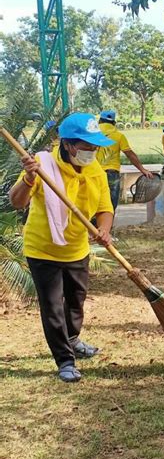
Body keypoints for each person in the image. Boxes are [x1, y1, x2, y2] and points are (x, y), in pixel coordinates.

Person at [9, 112, 115, 384]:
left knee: (76, 300)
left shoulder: (96, 172)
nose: (92, 151)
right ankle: (65, 360)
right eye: (87, 146)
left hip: (77, 248)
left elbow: (105, 209)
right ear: (68, 145)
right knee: (53, 305)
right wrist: (28, 179)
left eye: (95, 146)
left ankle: (73, 338)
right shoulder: (42, 166)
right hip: (43, 249)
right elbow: (17, 202)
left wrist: (104, 229)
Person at [96, 110, 154, 212]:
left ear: (100, 121)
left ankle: (92, 226)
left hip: (93, 173)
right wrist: (142, 169)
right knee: (110, 205)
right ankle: (107, 227)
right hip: (111, 174)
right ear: (114, 123)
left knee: (94, 202)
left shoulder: (92, 134)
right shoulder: (119, 136)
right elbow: (130, 154)